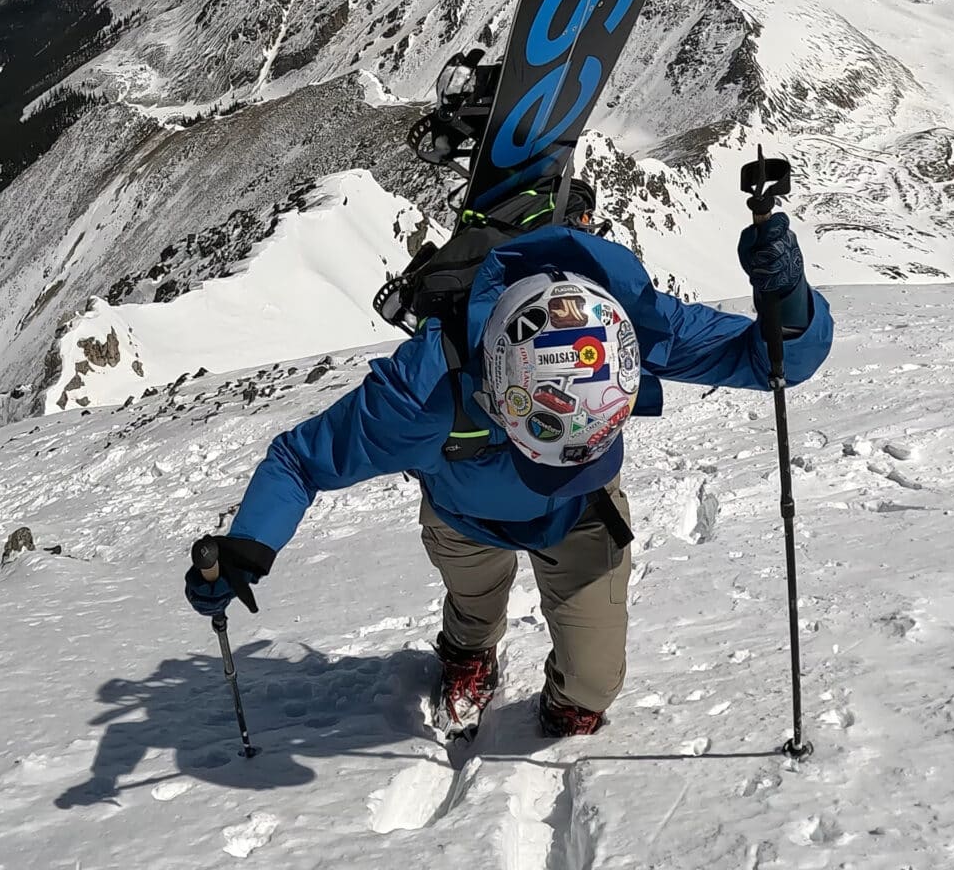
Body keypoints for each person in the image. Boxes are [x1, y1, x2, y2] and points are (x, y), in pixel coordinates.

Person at [187, 211, 833, 737]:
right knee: (473, 608)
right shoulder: (421, 392)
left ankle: (566, 699)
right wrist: (249, 546)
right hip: (464, 519)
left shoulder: (624, 320)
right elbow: (301, 460)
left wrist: (787, 299)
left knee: (594, 680)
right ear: (496, 387)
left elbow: (773, 360)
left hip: (581, 513)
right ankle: (468, 653)